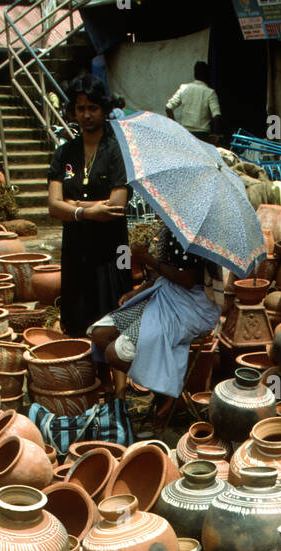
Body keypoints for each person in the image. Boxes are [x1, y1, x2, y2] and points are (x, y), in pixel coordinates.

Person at [89, 220, 219, 421]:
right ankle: (164, 390)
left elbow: (188, 279)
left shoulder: (198, 231)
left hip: (192, 304)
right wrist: (140, 289)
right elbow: (164, 271)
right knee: (100, 334)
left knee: (116, 354)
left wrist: (147, 259)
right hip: (165, 291)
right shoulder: (171, 224)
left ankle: (167, 391)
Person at [47, 74, 132, 338]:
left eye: (92, 108)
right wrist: (88, 211)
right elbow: (52, 205)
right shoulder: (64, 153)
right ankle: (83, 374)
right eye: (80, 108)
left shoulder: (118, 151)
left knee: (114, 315)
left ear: (104, 110)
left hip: (113, 250)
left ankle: (115, 378)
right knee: (77, 317)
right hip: (76, 249)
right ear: (73, 112)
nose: (86, 115)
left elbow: (116, 207)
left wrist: (73, 207)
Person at [165, 62, 222, 143]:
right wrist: (216, 135)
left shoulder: (184, 88)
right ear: (207, 75)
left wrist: (176, 127)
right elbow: (216, 115)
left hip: (185, 134)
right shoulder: (210, 92)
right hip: (202, 136)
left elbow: (168, 108)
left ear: (194, 74)